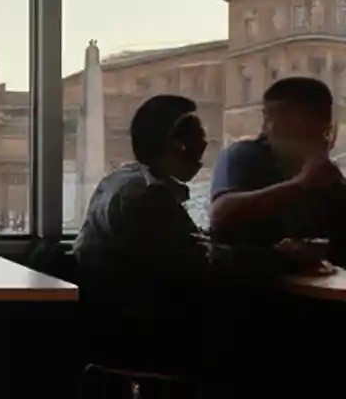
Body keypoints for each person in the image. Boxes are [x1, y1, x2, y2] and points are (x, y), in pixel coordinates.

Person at [73, 95, 316, 383]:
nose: (206, 145)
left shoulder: (119, 182)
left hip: (119, 332)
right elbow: (201, 263)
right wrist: (281, 257)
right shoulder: (146, 199)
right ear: (178, 144)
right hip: (152, 341)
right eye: (200, 136)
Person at [210, 77, 345, 256]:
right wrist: (300, 184)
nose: (267, 129)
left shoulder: (327, 178)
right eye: (268, 119)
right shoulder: (245, 156)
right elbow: (220, 215)